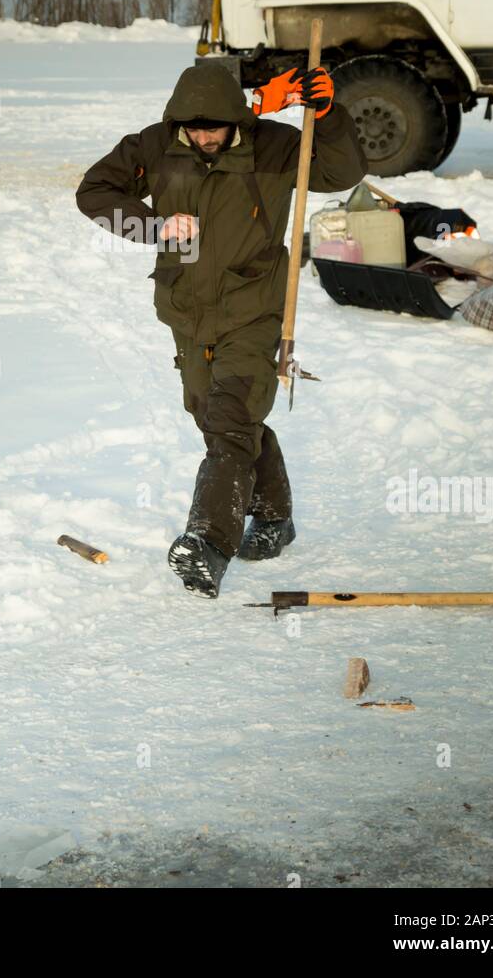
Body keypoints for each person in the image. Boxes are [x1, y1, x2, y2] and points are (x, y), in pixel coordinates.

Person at [75, 59, 367, 598]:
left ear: (237, 119)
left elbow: (340, 173)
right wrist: (152, 226)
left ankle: (207, 545)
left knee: (233, 417)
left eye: (215, 127)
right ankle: (274, 520)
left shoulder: (275, 147)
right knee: (218, 419)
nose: (204, 137)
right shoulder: (153, 148)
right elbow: (93, 193)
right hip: (186, 310)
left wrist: (326, 117)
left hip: (253, 309)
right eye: (194, 127)